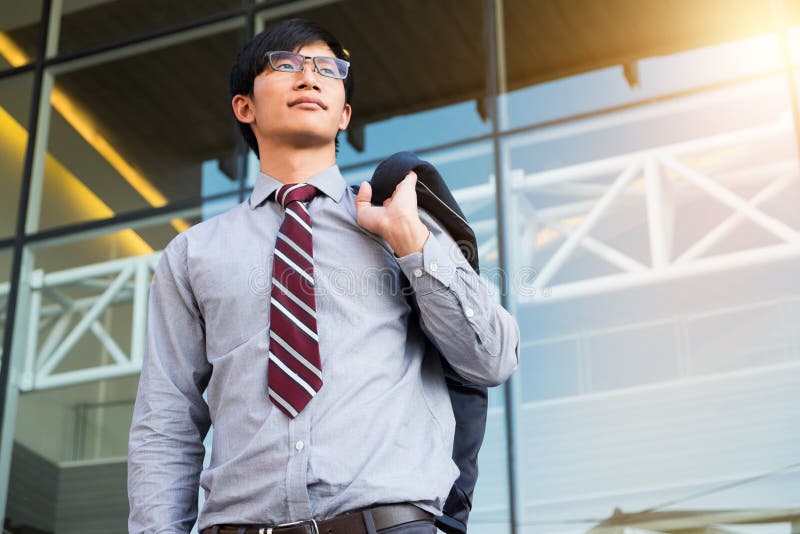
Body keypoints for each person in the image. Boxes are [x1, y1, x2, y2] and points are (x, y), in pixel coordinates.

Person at [127, 17, 520, 534]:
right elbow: (167, 419)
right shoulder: (192, 255)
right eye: (285, 64)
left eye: (328, 69)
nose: (309, 77)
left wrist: (412, 244)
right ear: (244, 107)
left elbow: (491, 358)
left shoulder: (401, 217)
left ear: (344, 115)